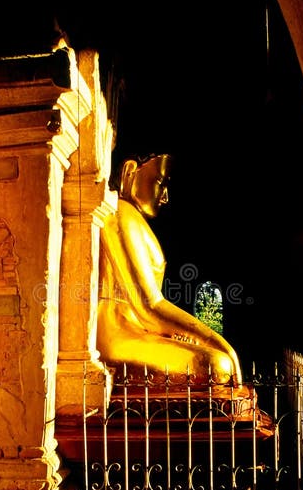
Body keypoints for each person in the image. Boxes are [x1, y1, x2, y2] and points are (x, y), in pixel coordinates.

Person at [96, 153, 244, 386]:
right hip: (116, 335)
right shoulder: (120, 214)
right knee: (218, 365)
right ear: (129, 171)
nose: (165, 196)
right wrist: (220, 343)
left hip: (140, 330)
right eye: (160, 182)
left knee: (215, 361)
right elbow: (150, 306)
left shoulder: (133, 219)